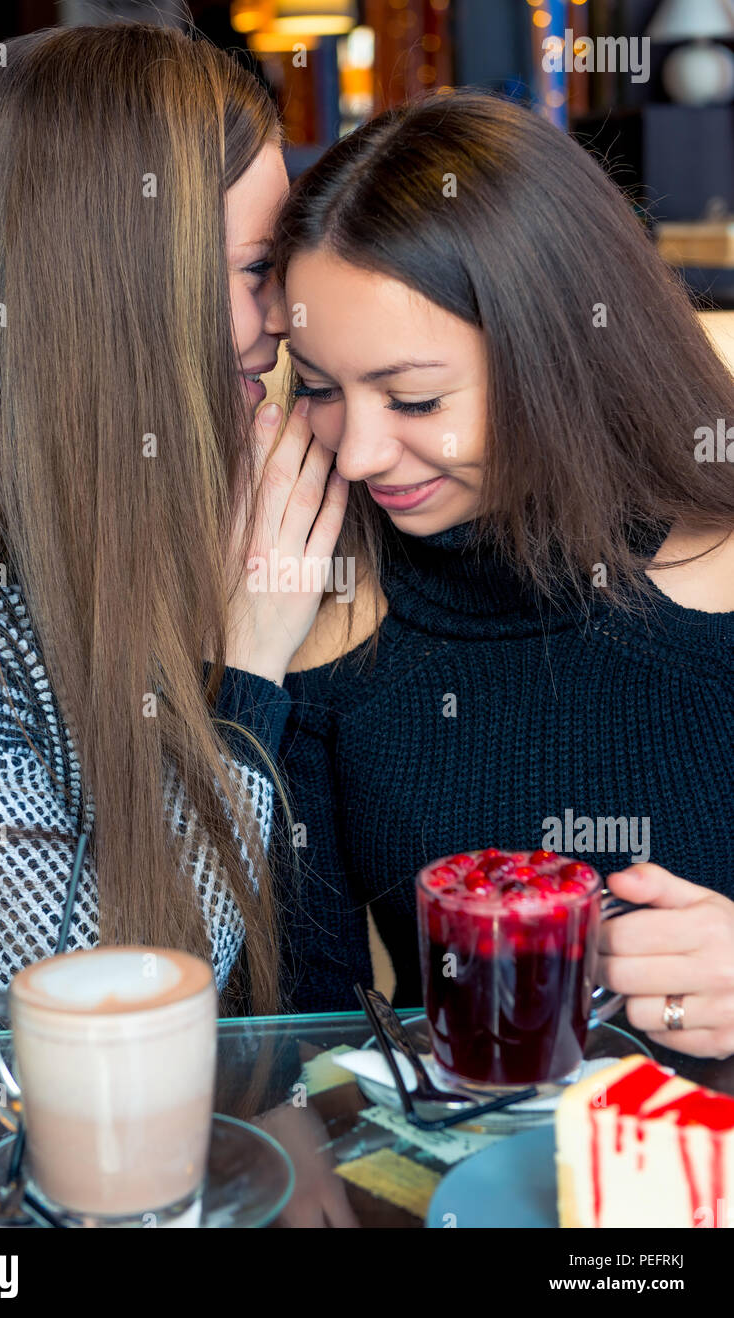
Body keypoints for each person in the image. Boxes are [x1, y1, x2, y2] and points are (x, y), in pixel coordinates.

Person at [0, 21, 345, 1036]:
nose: (285, 316)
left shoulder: (177, 493)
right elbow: (111, 997)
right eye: (258, 268)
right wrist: (244, 670)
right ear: (119, 285)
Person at [272, 90, 734, 1059]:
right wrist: (241, 671)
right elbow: (292, 1042)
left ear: (556, 356)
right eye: (317, 388)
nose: (355, 453)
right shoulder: (317, 604)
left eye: (413, 397)